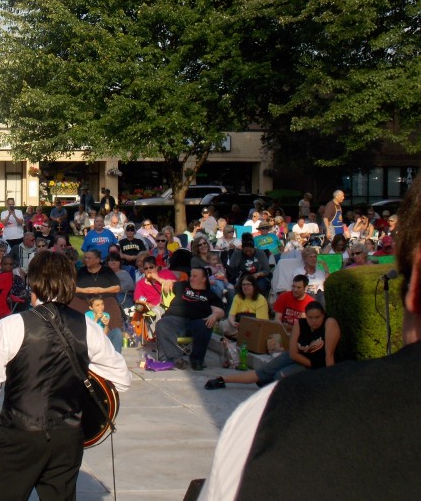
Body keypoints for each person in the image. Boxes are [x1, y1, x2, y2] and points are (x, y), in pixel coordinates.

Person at [198, 173, 421, 499]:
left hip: (308, 368)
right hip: (298, 360)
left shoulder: (324, 333)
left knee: (275, 380)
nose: (312, 317)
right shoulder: (299, 322)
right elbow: (291, 347)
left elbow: (327, 362)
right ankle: (226, 379)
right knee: (267, 373)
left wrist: (314, 376)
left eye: (315, 314)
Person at [0, 250, 130, 501]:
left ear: (33, 283)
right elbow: (122, 379)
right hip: (67, 433)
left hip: (20, 433)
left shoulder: (11, 325)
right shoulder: (87, 326)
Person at [204, 300, 340, 390]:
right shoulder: (301, 324)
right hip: (297, 358)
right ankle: (223, 379)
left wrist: (332, 383)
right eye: (310, 317)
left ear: (323, 315)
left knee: (280, 376)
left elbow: (329, 356)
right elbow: (293, 353)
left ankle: (268, 383)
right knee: (264, 371)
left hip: (314, 366)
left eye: (317, 317)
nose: (314, 321)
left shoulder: (330, 323)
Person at [155, 267, 224, 370]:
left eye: (195, 276)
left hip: (196, 322)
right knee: (162, 324)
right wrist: (167, 282)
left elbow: (220, 311)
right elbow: (168, 282)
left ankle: (197, 360)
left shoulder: (210, 294)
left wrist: (214, 315)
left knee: (206, 324)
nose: (191, 278)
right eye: (191, 275)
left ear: (203, 279)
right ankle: (176, 359)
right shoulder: (182, 286)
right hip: (175, 320)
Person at [69, 249, 124, 350]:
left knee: (112, 304)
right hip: (84, 300)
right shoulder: (81, 271)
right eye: (85, 258)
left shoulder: (107, 271)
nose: (86, 260)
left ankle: (114, 336)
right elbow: (71, 287)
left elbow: (117, 287)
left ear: (98, 259)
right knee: (73, 303)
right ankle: (75, 337)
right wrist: (84, 290)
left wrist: (102, 290)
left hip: (104, 299)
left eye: (89, 258)